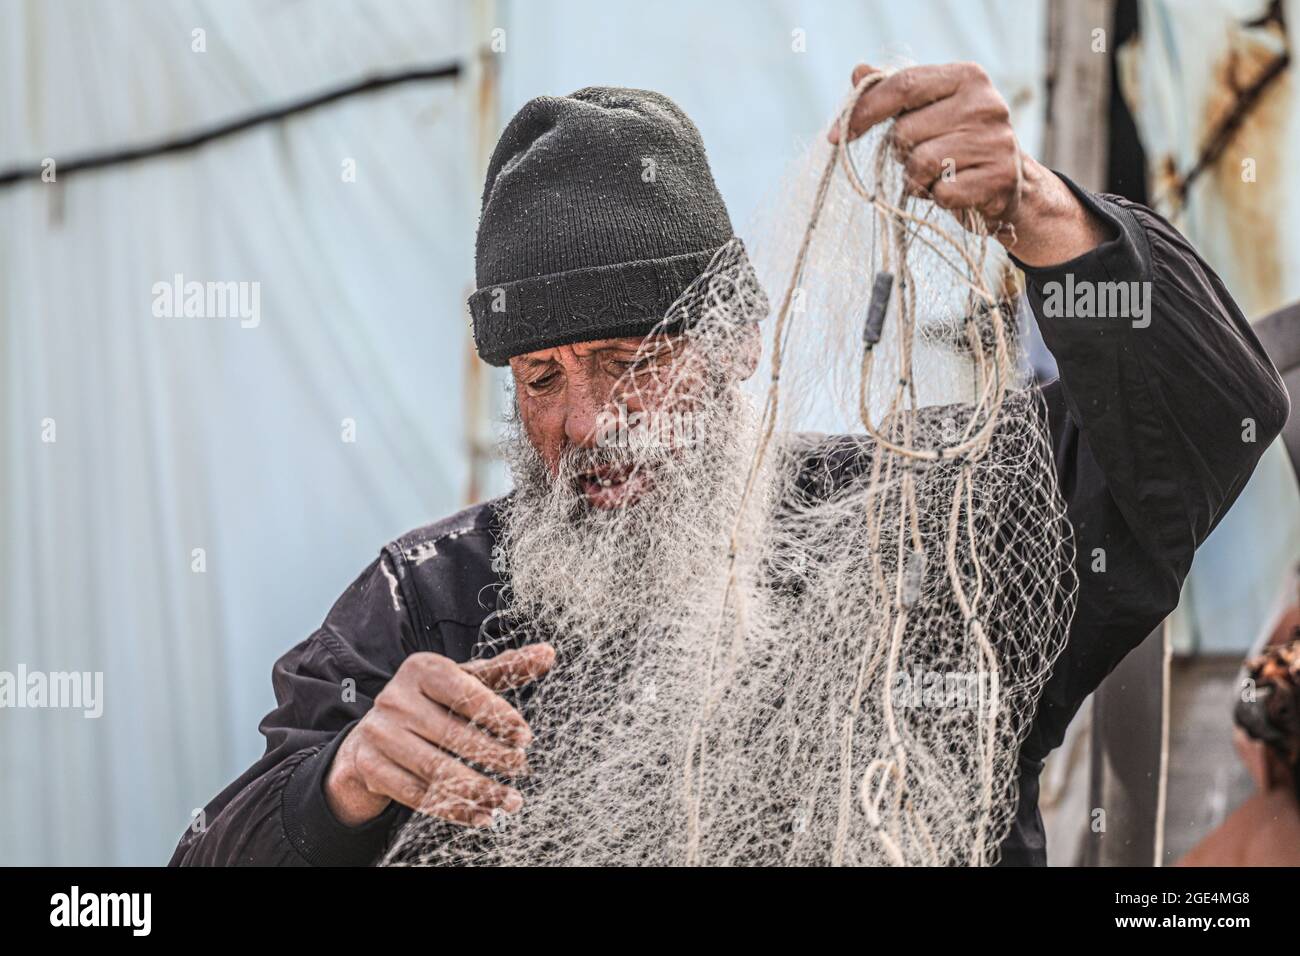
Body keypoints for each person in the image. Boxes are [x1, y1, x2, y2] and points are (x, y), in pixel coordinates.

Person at [170, 63, 1288, 866]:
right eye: (541, 377)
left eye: (630, 361)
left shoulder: (923, 539)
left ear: (737, 341)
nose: (586, 422)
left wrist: (1040, 211)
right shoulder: (431, 605)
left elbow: (1212, 416)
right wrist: (340, 788)